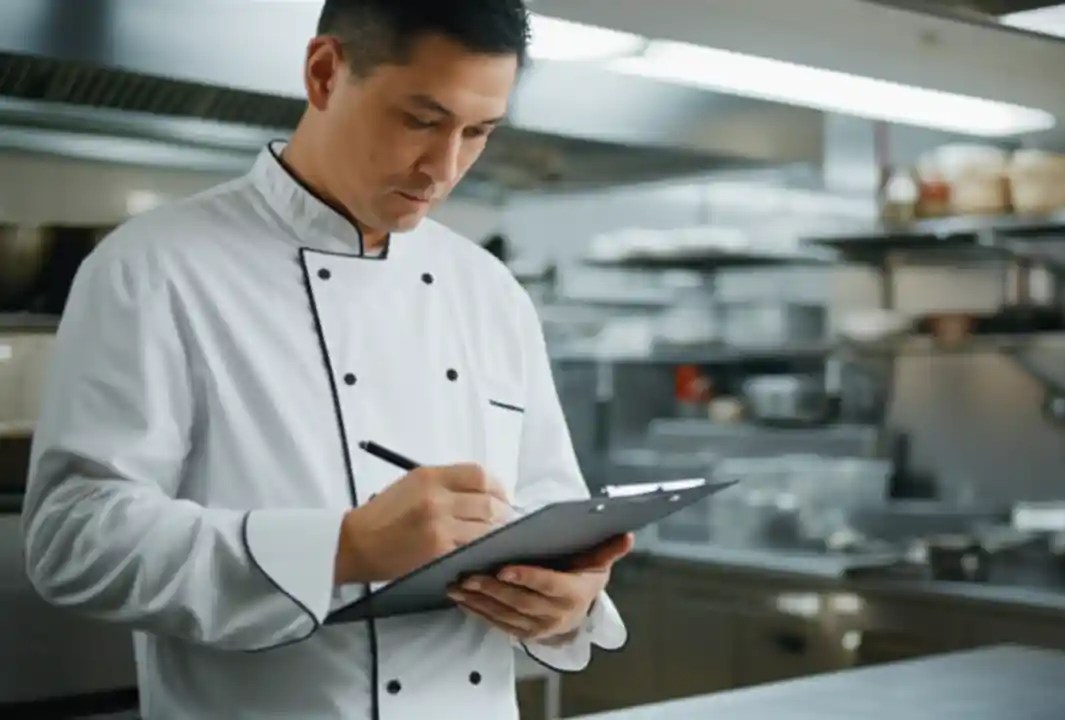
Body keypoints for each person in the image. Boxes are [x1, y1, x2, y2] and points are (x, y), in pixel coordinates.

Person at [20, 1, 632, 717]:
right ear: (324, 73)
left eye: (477, 133)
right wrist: (341, 548)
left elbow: (549, 510)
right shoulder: (155, 268)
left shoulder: (490, 291)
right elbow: (74, 540)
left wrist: (568, 599)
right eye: (421, 120)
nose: (443, 168)